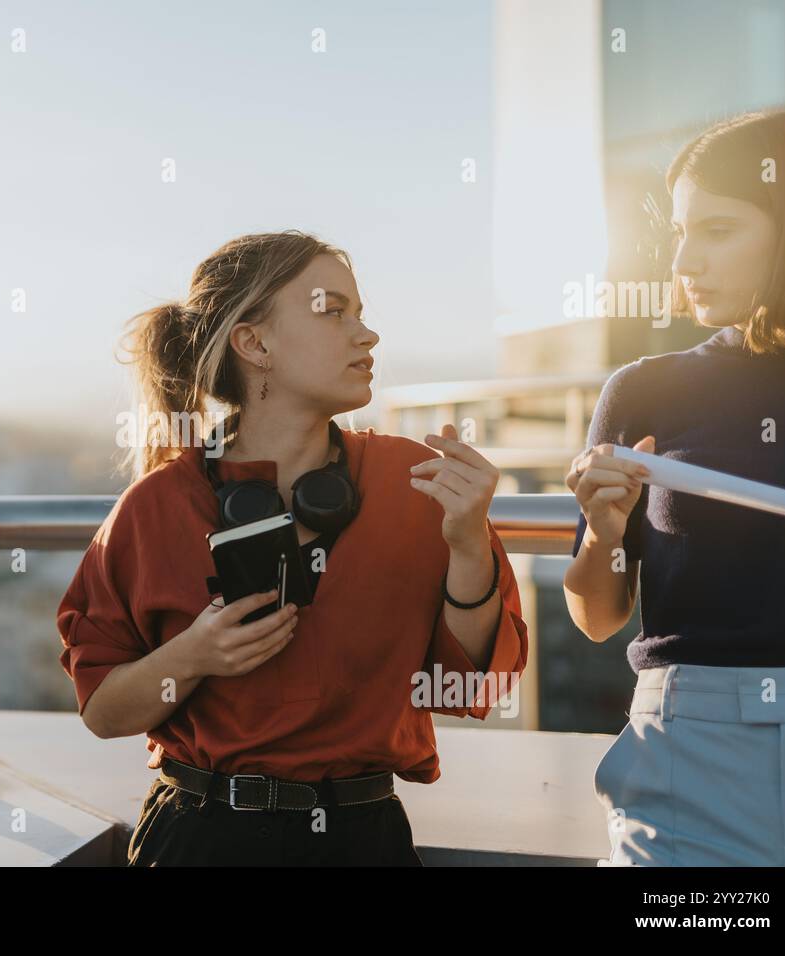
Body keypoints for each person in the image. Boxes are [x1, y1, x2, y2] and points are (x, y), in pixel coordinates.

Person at [56, 230, 529, 866]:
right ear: (254, 344)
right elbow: (104, 712)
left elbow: (473, 687)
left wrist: (469, 545)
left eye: (361, 314)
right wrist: (194, 655)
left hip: (364, 842)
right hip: (199, 840)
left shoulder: (415, 481)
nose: (367, 335)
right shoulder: (156, 506)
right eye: (333, 311)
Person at [564, 110, 785, 866]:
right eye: (678, 233)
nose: (683, 261)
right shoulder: (646, 390)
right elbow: (598, 616)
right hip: (688, 751)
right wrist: (605, 534)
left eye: (717, 231)